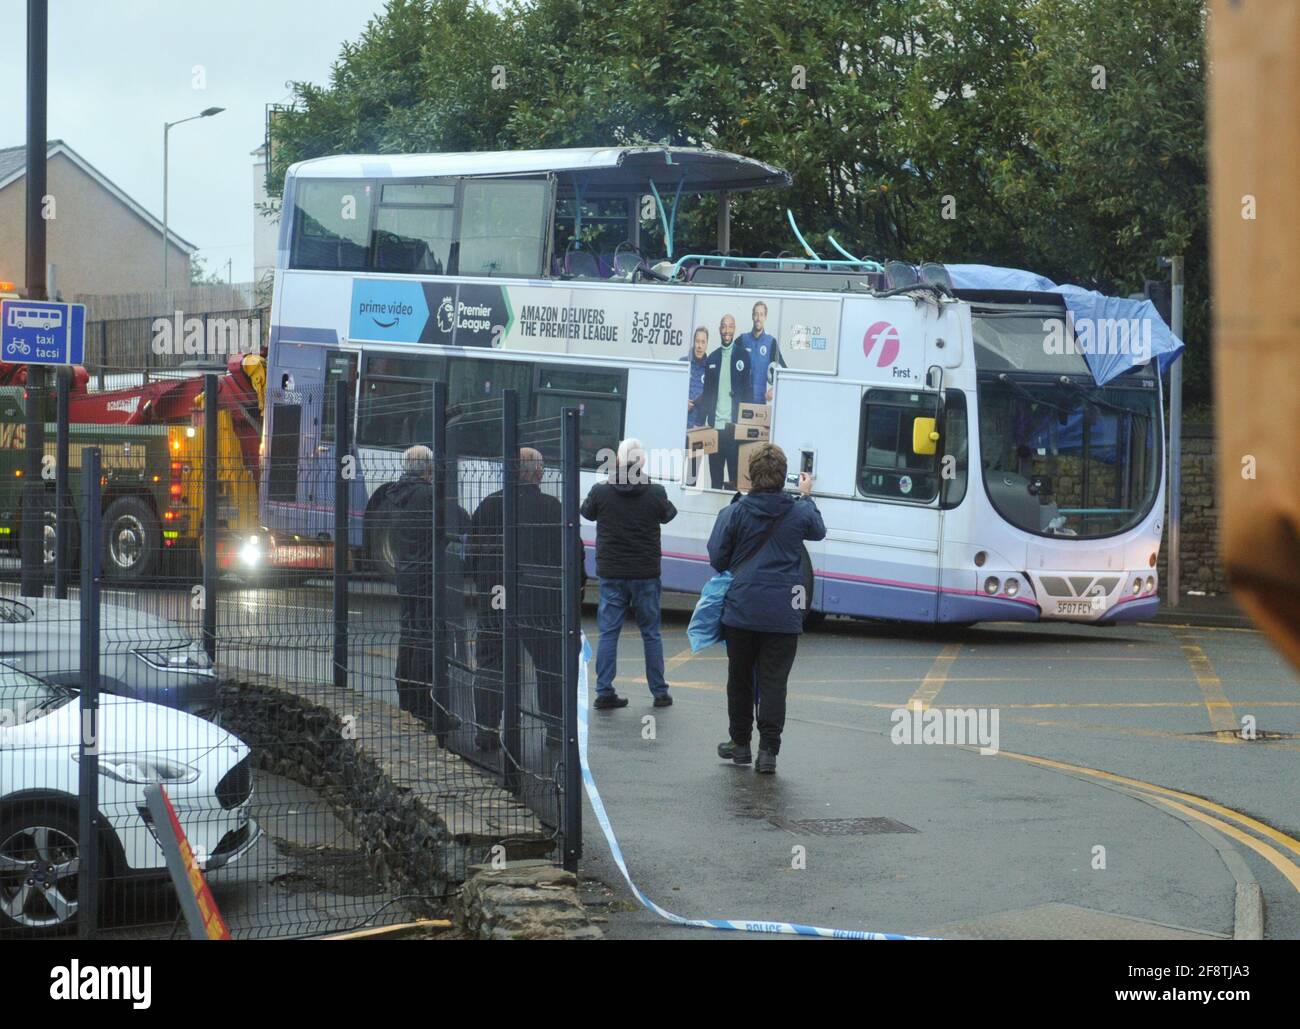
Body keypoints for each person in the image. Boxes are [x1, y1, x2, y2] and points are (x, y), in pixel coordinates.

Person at [706, 442, 825, 774]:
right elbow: (819, 531)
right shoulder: (800, 512)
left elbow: (717, 559)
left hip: (741, 609)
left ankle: (740, 744)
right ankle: (768, 752)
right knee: (774, 682)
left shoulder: (733, 512)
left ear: (750, 475)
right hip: (783, 612)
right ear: (784, 476)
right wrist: (807, 495)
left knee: (739, 678)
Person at [467, 447, 570, 750]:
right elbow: (570, 556)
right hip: (540, 601)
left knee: (491, 662)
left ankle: (486, 730)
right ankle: (554, 730)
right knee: (549, 664)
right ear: (537, 473)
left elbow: (473, 554)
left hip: (495, 597)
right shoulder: (553, 508)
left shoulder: (489, 505)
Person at [581, 438, 678, 710]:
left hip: (612, 571)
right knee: (651, 633)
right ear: (642, 461)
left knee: (609, 631)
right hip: (645, 572)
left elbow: (586, 512)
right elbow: (668, 514)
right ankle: (660, 692)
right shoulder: (655, 491)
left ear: (619, 461)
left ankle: (604, 691)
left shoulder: (601, 491)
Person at [390, 445, 436, 726]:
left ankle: (406, 697)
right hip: (425, 575)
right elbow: (449, 524)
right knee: (424, 639)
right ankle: (423, 704)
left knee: (408, 636)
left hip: (404, 573)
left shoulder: (395, 493)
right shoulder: (427, 495)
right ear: (428, 469)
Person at [696, 313, 753, 489]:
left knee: (736, 480)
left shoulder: (743, 355)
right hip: (715, 429)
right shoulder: (712, 358)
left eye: (730, 326)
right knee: (715, 480)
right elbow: (707, 394)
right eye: (723, 326)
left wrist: (748, 423)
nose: (726, 330)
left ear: (734, 329)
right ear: (719, 330)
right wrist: (699, 422)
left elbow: (748, 391)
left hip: (734, 429)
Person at [736, 300, 783, 403]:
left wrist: (774, 389)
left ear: (765, 317)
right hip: (742, 402)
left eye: (761, 315)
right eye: (756, 314)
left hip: (760, 404)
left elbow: (784, 371)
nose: (758, 318)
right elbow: (728, 362)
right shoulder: (742, 340)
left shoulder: (771, 342)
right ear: (752, 316)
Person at [680, 326, 710, 485]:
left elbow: (713, 396)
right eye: (697, 341)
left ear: (707, 344)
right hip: (679, 427)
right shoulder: (683, 363)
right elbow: (671, 391)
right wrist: (681, 403)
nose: (699, 346)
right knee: (675, 471)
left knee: (692, 478)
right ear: (693, 342)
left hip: (698, 428)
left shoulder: (711, 367)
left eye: (703, 342)